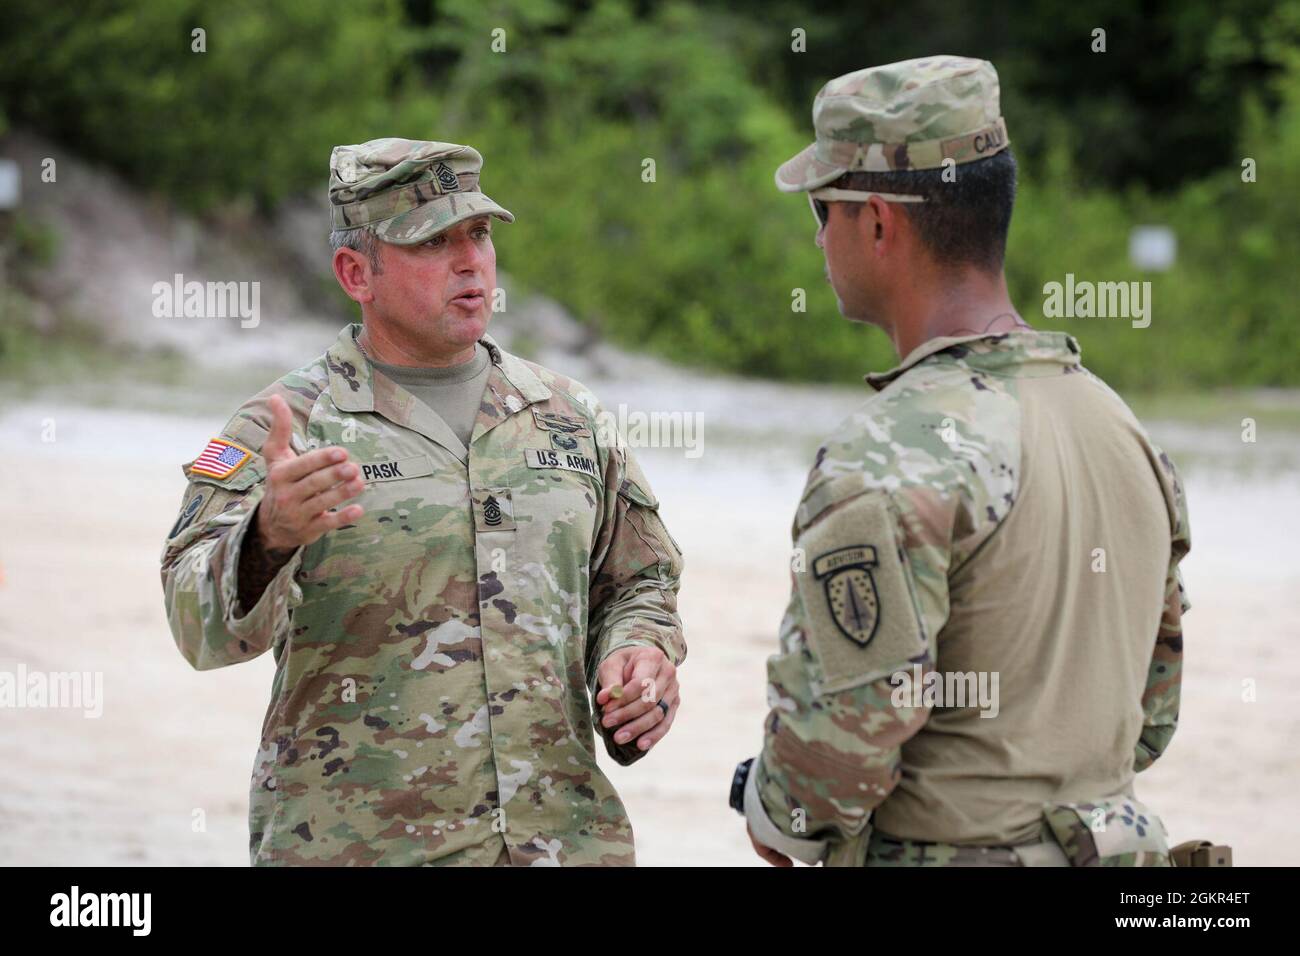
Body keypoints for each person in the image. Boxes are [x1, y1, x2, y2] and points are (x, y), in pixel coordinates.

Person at [161, 138, 685, 866]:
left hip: (562, 844)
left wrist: (638, 653)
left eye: (477, 233)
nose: (470, 261)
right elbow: (194, 624)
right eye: (432, 241)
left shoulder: (567, 416)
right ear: (356, 272)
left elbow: (638, 582)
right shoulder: (287, 427)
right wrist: (267, 536)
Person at [729, 57, 1190, 867]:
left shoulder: (892, 447)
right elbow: (1151, 717)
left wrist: (776, 814)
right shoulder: (1119, 426)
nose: (817, 238)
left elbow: (840, 748)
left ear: (877, 221)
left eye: (823, 209)